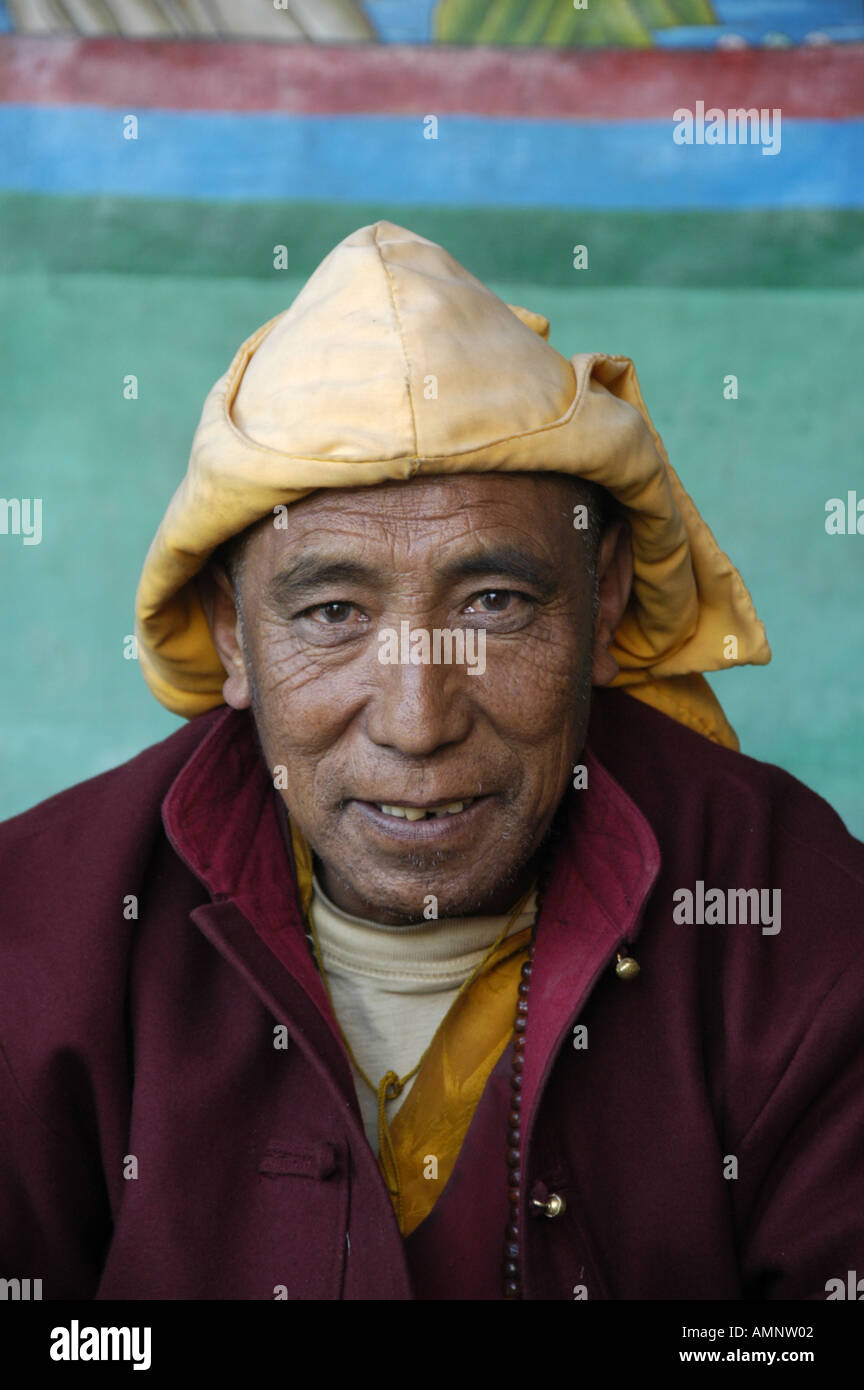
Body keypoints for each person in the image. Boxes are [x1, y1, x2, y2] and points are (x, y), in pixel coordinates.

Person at [1, 222, 862, 1301]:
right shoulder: (35, 930)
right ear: (231, 632)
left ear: (603, 602)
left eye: (494, 605)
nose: (417, 720)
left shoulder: (793, 914)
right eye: (331, 611)